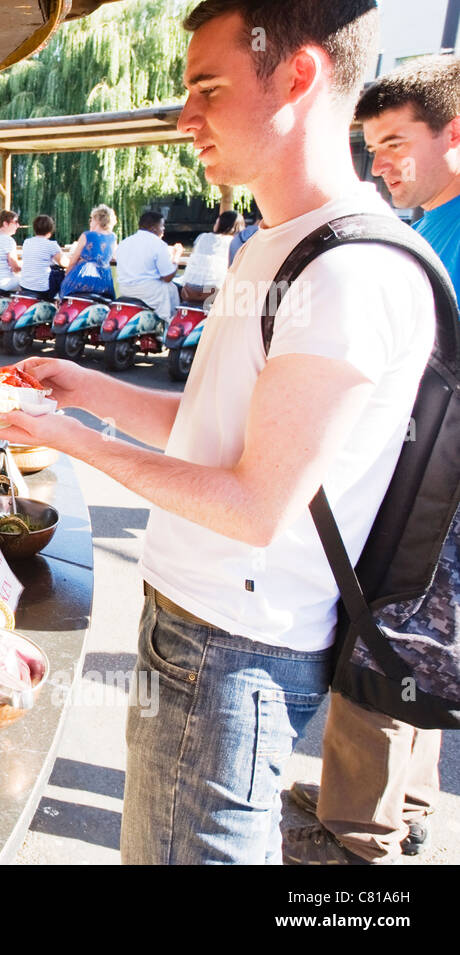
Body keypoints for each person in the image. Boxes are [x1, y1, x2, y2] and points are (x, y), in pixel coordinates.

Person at [0, 0, 434, 865]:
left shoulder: (348, 270)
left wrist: (71, 438)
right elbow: (213, 428)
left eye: (209, 88)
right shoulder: (275, 242)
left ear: (298, 76)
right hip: (193, 625)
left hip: (235, 648)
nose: (184, 117)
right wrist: (90, 389)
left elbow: (255, 504)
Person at [282, 53, 460, 866]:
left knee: (379, 649)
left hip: (431, 498)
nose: (379, 162)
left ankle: (356, 842)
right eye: (372, 145)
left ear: (453, 133)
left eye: (394, 141)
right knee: (426, 651)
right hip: (427, 488)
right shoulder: (428, 227)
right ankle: (404, 803)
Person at [114, 210, 183, 321]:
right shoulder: (158, 244)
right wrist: (176, 256)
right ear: (154, 228)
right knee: (172, 288)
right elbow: (168, 277)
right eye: (162, 226)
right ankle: (170, 325)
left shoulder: (124, 242)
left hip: (125, 289)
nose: (164, 230)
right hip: (148, 293)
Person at [181, 209, 244, 303]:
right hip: (213, 293)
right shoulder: (234, 242)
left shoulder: (202, 237)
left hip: (188, 290)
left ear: (219, 223)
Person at [59, 204, 117, 298]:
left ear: (97, 221)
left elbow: (73, 261)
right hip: (104, 281)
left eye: (91, 219)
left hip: (82, 278)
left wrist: (66, 274)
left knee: (64, 289)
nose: (90, 222)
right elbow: (112, 256)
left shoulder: (87, 235)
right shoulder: (113, 237)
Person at [18, 214, 69, 300]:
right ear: (50, 230)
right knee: (60, 274)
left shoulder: (27, 242)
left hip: (24, 285)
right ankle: (61, 300)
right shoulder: (51, 245)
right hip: (42, 289)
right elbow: (64, 263)